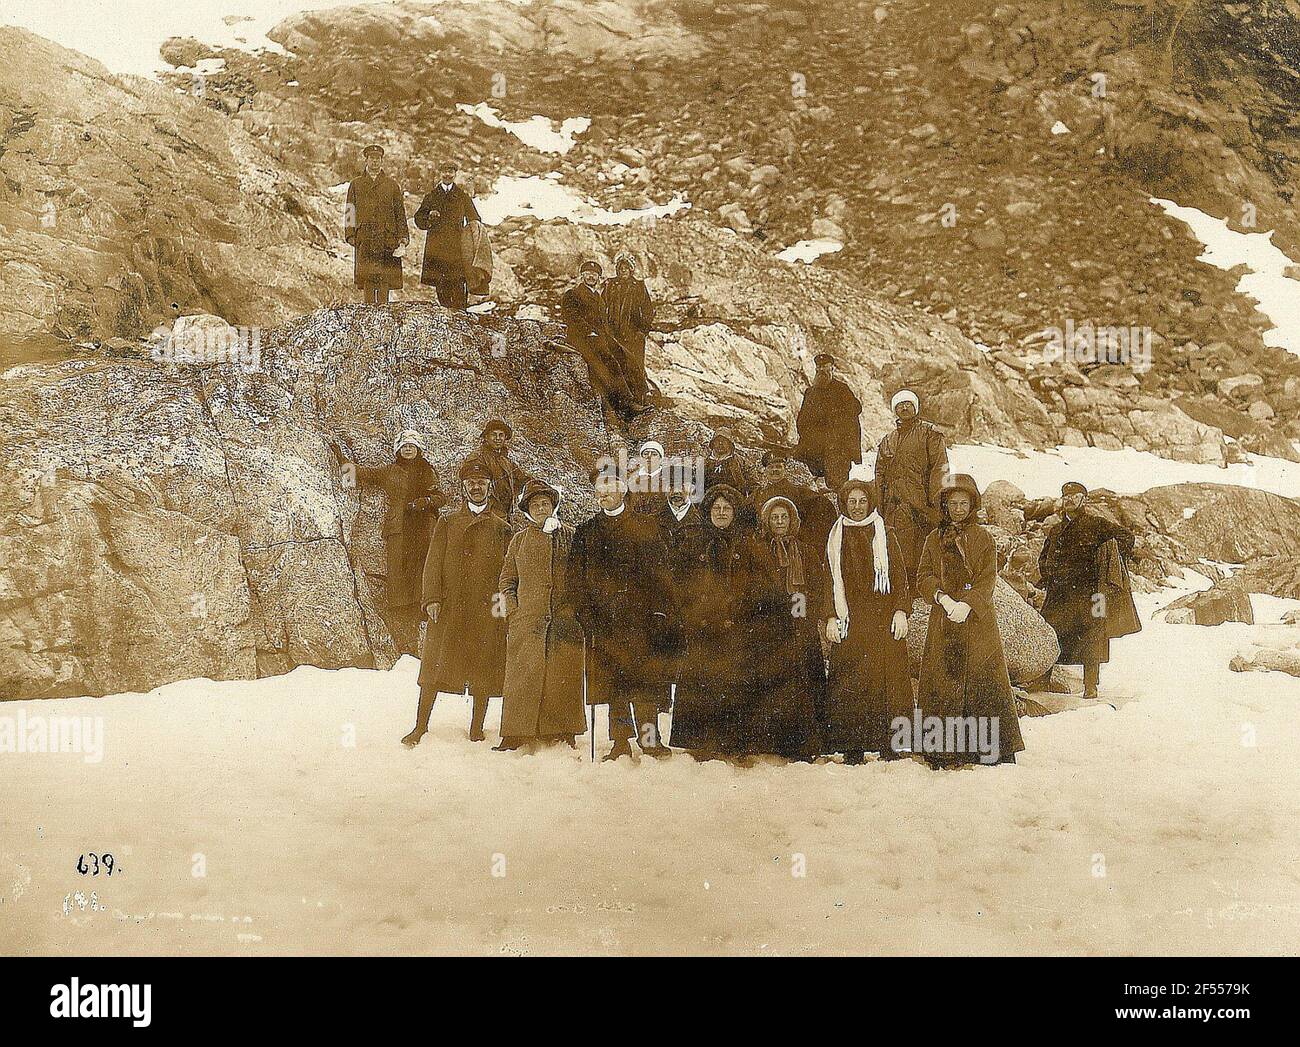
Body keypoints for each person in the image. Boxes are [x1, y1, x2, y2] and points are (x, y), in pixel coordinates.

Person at [914, 473, 1025, 767]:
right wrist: (942, 598)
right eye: (953, 503)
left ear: (972, 504)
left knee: (983, 683)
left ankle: (989, 751)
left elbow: (988, 578)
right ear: (945, 506)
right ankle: (942, 751)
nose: (959, 509)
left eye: (964, 503)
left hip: (977, 624)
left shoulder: (984, 539)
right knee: (942, 682)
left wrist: (968, 604)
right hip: (944, 620)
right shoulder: (932, 539)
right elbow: (923, 576)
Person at [566, 465, 676, 761]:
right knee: (613, 684)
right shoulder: (585, 532)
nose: (604, 494)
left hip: (640, 620)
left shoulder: (647, 527)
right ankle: (620, 743)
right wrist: (586, 617)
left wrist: (658, 613)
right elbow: (575, 581)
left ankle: (651, 740)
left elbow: (661, 575)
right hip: (603, 622)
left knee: (645, 684)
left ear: (623, 489)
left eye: (609, 486)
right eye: (599, 489)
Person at [670, 484, 784, 760]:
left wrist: (745, 611)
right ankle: (701, 744)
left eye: (727, 509)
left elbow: (765, 587)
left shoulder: (748, 544)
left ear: (735, 512)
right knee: (703, 684)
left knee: (737, 685)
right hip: (703, 628)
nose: (721, 513)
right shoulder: (693, 542)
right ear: (707, 512)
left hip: (738, 628)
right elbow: (678, 585)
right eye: (716, 508)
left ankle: (738, 745)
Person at [402, 460, 511, 748]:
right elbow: (433, 562)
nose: (476, 487)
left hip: (485, 609)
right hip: (449, 606)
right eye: (471, 483)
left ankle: (476, 728)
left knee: (482, 667)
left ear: (490, 487)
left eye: (482, 482)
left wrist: (502, 607)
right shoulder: (447, 522)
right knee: (434, 668)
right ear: (463, 488)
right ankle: (420, 726)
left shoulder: (502, 527)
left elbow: (507, 572)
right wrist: (432, 598)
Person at [821, 477, 913, 764]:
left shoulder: (885, 533)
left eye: (862, 501)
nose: (858, 507)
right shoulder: (836, 537)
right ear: (844, 505)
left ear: (870, 502)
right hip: (851, 619)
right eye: (852, 502)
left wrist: (901, 610)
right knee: (850, 682)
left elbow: (899, 576)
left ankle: (890, 745)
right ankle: (853, 746)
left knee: (889, 682)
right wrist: (829, 618)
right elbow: (828, 581)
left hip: (882, 619)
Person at [330, 429, 446, 655]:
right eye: (404, 446)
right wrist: (341, 461)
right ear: (398, 450)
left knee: (424, 571)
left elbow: (441, 497)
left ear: (419, 449)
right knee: (400, 576)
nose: (408, 449)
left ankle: (423, 614)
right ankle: (405, 629)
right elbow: (361, 476)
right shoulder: (390, 471)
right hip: (399, 530)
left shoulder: (428, 471)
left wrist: (427, 501)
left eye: (412, 445)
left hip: (424, 528)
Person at [496, 480, 587, 751]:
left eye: (545, 504)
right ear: (527, 510)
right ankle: (515, 732)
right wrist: (512, 611)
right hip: (527, 620)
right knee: (523, 676)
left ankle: (563, 730)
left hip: (564, 619)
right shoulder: (519, 540)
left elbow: (583, 577)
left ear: (553, 506)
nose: (540, 509)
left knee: (562, 675)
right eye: (534, 505)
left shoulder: (570, 535)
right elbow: (506, 581)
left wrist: (576, 611)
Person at [1038, 481, 1140, 700]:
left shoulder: (1096, 524)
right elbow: (1044, 556)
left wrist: (1110, 561)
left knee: (1092, 637)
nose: (1069, 500)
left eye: (1075, 496)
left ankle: (1090, 686)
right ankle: (1042, 681)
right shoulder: (1055, 529)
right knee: (1049, 633)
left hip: (1091, 592)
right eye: (1066, 496)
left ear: (1084, 500)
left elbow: (1126, 537)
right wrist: (1047, 574)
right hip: (1060, 593)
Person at [749, 495, 827, 760]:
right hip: (771, 630)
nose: (780, 522)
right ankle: (772, 743)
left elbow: (818, 587)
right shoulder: (759, 550)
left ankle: (804, 746)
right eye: (775, 518)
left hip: (800, 629)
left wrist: (803, 612)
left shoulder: (805, 551)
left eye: (784, 517)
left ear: (792, 520)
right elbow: (753, 589)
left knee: (803, 684)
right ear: (767, 521)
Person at [875, 389, 949, 588]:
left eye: (908, 404)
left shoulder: (930, 433)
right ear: (894, 410)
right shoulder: (887, 440)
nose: (904, 408)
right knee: (896, 545)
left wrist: (935, 502)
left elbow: (939, 468)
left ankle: (921, 585)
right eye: (900, 405)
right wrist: (879, 503)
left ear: (915, 408)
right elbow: (879, 473)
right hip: (893, 504)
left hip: (920, 503)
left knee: (920, 546)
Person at [560, 260, 645, 419]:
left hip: (600, 336)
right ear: (582, 275)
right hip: (581, 338)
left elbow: (604, 322)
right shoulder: (573, 294)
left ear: (599, 277)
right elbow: (571, 317)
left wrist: (609, 337)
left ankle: (640, 396)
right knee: (608, 363)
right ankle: (626, 403)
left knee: (627, 357)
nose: (591, 276)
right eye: (588, 273)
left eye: (595, 274)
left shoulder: (599, 297)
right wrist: (589, 332)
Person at [345, 145, 409, 306]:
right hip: (365, 236)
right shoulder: (356, 184)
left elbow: (400, 213)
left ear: (381, 161)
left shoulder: (392, 185)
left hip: (387, 236)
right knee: (367, 276)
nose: (375, 161)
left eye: (378, 158)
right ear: (366, 160)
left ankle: (383, 310)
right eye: (371, 158)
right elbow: (350, 210)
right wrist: (350, 234)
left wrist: (402, 237)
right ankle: (368, 311)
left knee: (384, 276)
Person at [414, 160, 481, 309]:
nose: (448, 175)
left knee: (458, 288)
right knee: (441, 287)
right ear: (440, 173)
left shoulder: (462, 196)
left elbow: (475, 219)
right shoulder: (431, 196)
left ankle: (461, 322)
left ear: (455, 174)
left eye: (451, 172)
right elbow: (418, 219)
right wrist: (429, 218)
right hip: (436, 249)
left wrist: (469, 240)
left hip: (457, 249)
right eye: (445, 171)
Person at [794, 352, 862, 491]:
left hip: (837, 450)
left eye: (825, 369)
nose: (821, 372)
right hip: (813, 450)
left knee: (838, 488)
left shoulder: (842, 390)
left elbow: (855, 411)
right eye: (818, 369)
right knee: (808, 488)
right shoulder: (810, 392)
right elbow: (802, 420)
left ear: (832, 369)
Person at [751, 450, 837, 555]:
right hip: (765, 550)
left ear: (785, 469)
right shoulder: (757, 495)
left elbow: (824, 508)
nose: (774, 470)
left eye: (778, 466)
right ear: (765, 470)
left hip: (792, 550)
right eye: (770, 467)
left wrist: (804, 538)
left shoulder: (798, 492)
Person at [603, 252, 655, 405]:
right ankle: (620, 401)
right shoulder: (610, 285)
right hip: (614, 334)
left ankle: (639, 400)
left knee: (635, 366)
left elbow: (648, 310)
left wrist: (642, 331)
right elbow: (601, 306)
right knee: (617, 366)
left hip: (633, 336)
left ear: (631, 270)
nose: (623, 270)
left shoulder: (638, 286)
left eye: (626, 267)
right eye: (620, 267)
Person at [463, 418, 530, 520]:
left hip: (504, 514)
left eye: (501, 435)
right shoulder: (478, 458)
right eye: (494, 434)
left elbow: (522, 480)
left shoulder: (505, 460)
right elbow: (472, 487)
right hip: (484, 514)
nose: (498, 438)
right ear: (486, 437)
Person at [703, 428, 750, 495]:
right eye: (717, 440)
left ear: (729, 443)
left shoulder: (740, 462)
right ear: (713, 443)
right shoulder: (705, 463)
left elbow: (752, 484)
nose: (720, 443)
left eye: (724, 441)